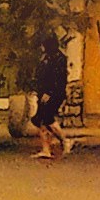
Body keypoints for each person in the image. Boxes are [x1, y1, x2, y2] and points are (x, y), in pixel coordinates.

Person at [30, 18, 69, 163]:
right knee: (40, 121)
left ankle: (64, 140)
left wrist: (49, 93)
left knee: (48, 119)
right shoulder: (46, 58)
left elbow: (58, 79)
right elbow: (40, 75)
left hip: (53, 94)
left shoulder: (59, 59)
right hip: (43, 93)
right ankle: (46, 149)